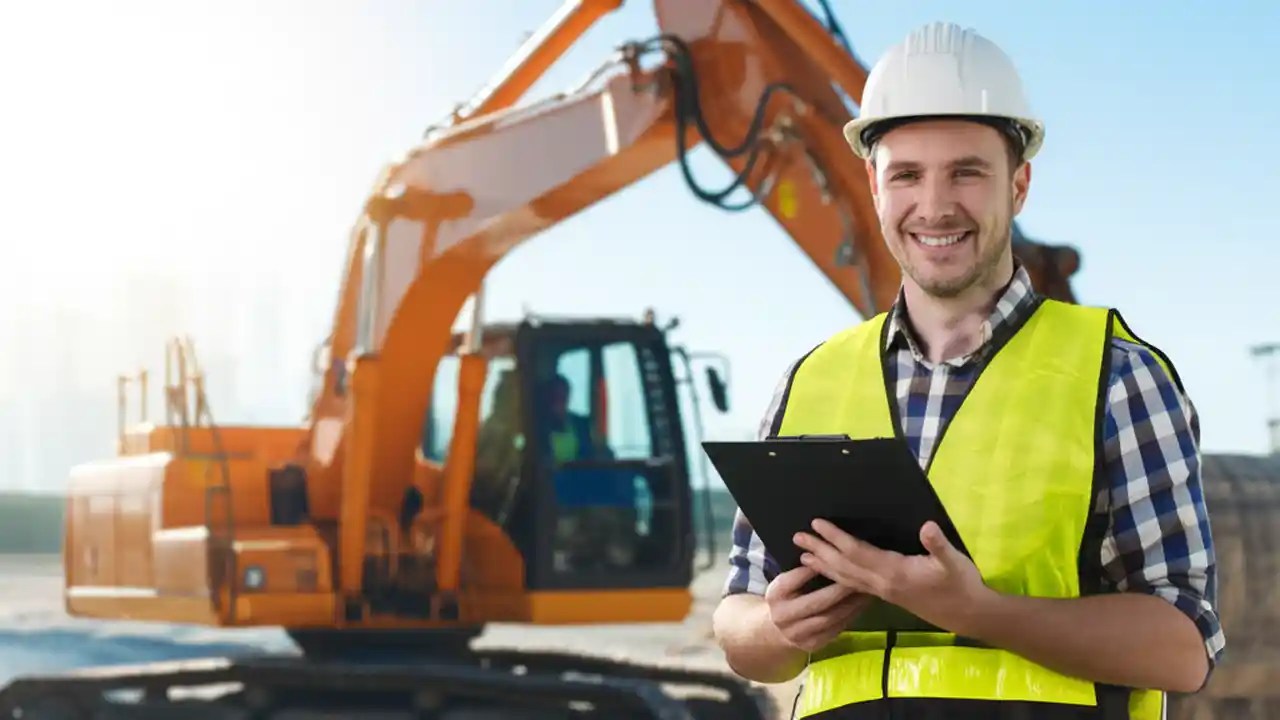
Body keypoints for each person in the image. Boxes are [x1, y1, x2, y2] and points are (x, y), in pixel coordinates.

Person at [711, 21, 1222, 719]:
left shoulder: (1115, 378)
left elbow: (1184, 646)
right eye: (907, 175)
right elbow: (739, 623)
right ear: (873, 185)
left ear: (1020, 183)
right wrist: (777, 627)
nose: (934, 205)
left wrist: (978, 611)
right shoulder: (810, 382)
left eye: (966, 172)